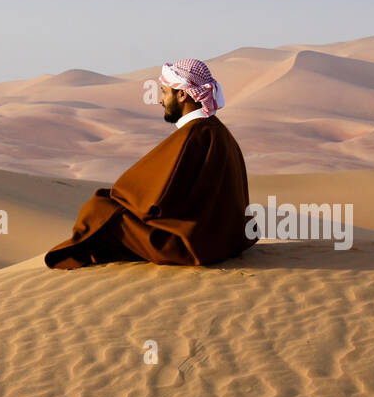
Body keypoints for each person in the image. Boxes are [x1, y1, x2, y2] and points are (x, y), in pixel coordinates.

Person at [44, 58, 255, 270]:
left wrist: (120, 197)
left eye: (164, 92)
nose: (160, 100)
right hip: (225, 241)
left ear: (182, 94)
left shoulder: (194, 134)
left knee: (98, 208)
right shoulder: (218, 131)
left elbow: (152, 197)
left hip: (192, 245)